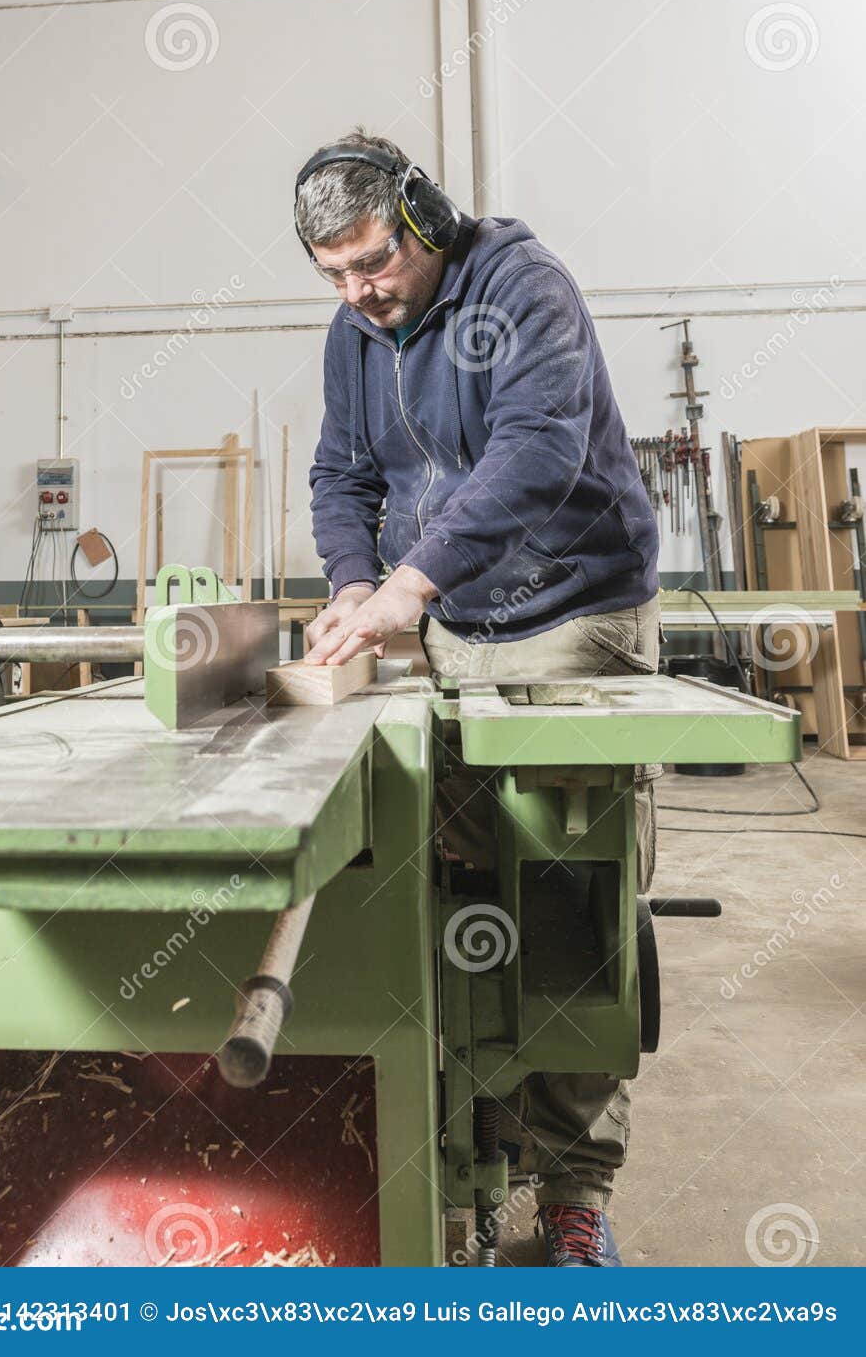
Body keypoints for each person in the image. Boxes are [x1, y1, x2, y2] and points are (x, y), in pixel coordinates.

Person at [299, 129, 660, 1268]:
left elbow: (537, 449)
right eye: (336, 277)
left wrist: (409, 582)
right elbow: (342, 473)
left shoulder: (522, 287)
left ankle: (576, 1193)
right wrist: (357, 583)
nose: (361, 295)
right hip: (452, 625)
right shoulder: (356, 335)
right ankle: (482, 1128)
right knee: (454, 885)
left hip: (568, 612)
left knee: (564, 905)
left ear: (428, 217)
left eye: (373, 264)